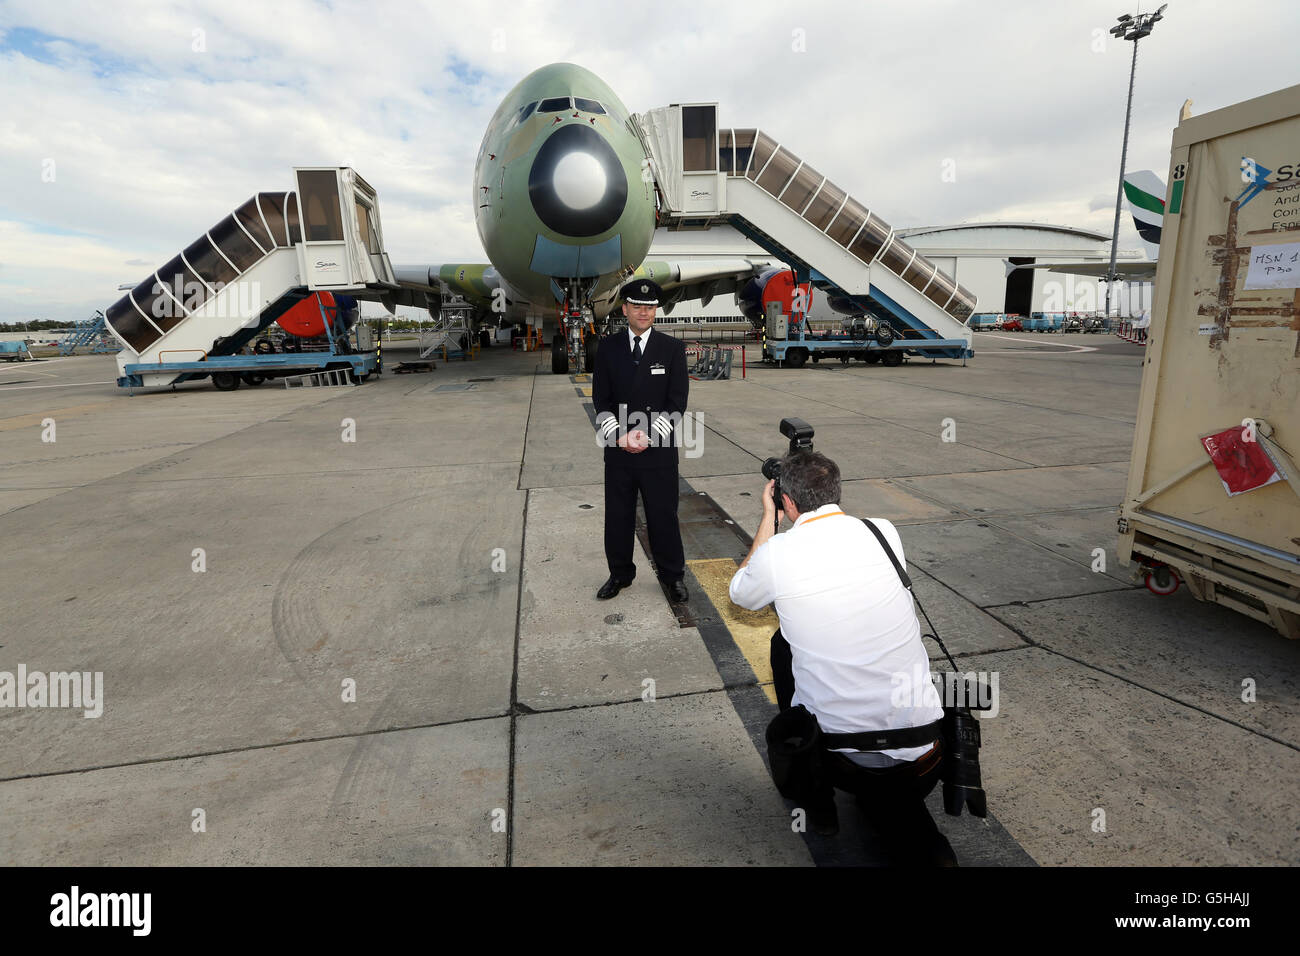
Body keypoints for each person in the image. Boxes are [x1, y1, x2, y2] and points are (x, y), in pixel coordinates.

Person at [728, 450, 957, 866]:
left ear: (788, 501)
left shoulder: (779, 552)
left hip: (843, 759)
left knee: (784, 662)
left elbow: (740, 594)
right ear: (836, 490)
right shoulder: (882, 530)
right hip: (926, 748)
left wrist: (769, 518)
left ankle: (820, 809)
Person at [592, 280, 689, 603]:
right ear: (625, 310)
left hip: (657, 451)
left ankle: (672, 576)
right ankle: (620, 574)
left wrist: (647, 435)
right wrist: (620, 435)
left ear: (655, 310)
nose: (643, 312)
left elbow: (677, 404)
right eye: (637, 306)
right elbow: (601, 401)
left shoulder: (672, 350)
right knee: (617, 517)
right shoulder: (607, 348)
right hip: (619, 450)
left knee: (663, 516)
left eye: (649, 307)